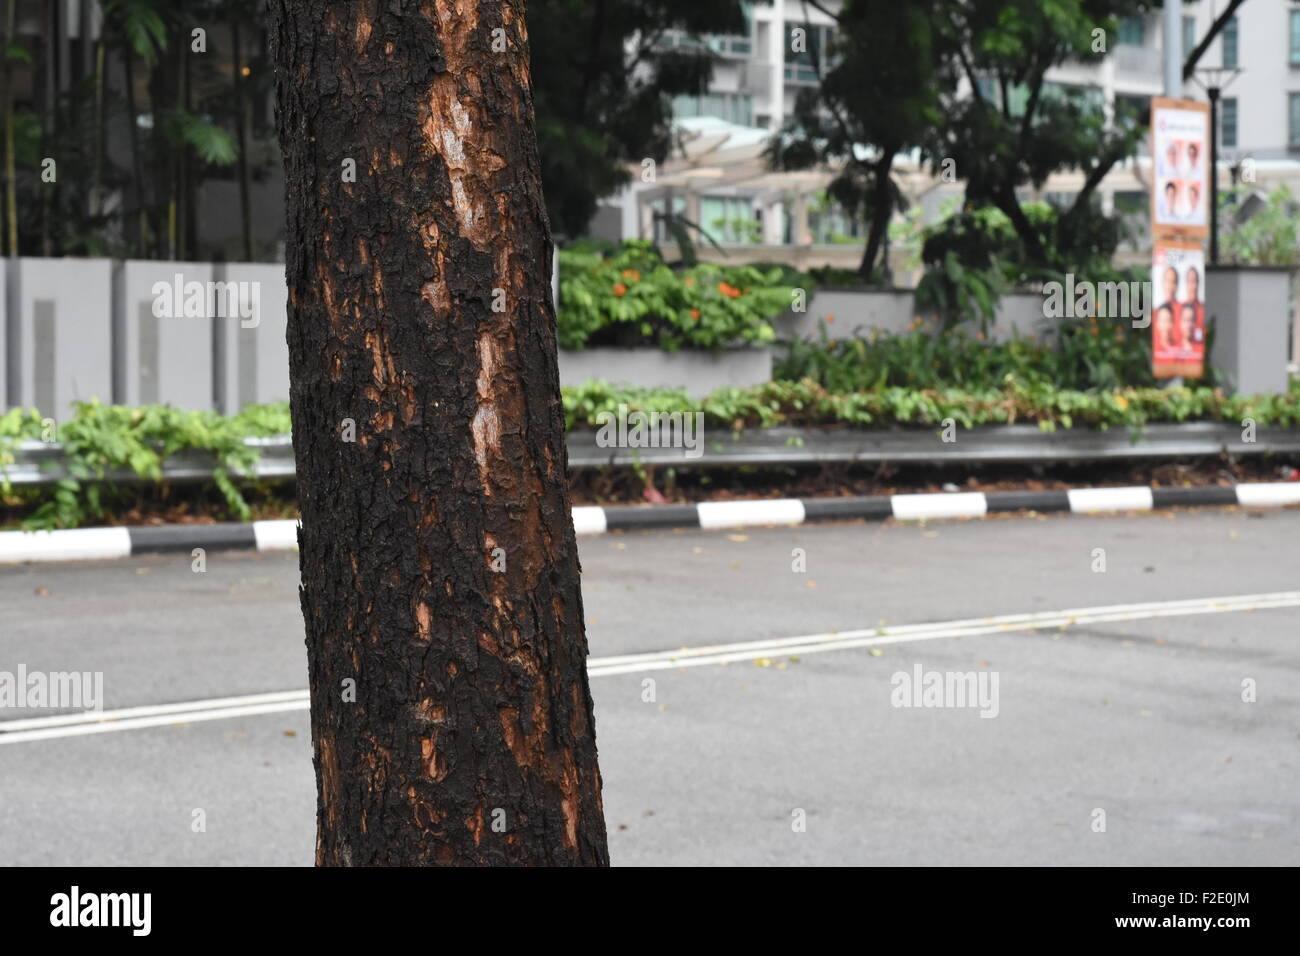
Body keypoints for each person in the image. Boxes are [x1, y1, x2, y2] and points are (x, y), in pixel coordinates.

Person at [1182, 266, 1205, 345]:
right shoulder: (1178, 309)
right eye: (1190, 281)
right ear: (1186, 283)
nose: (1193, 286)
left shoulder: (1203, 309)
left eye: (1195, 281)